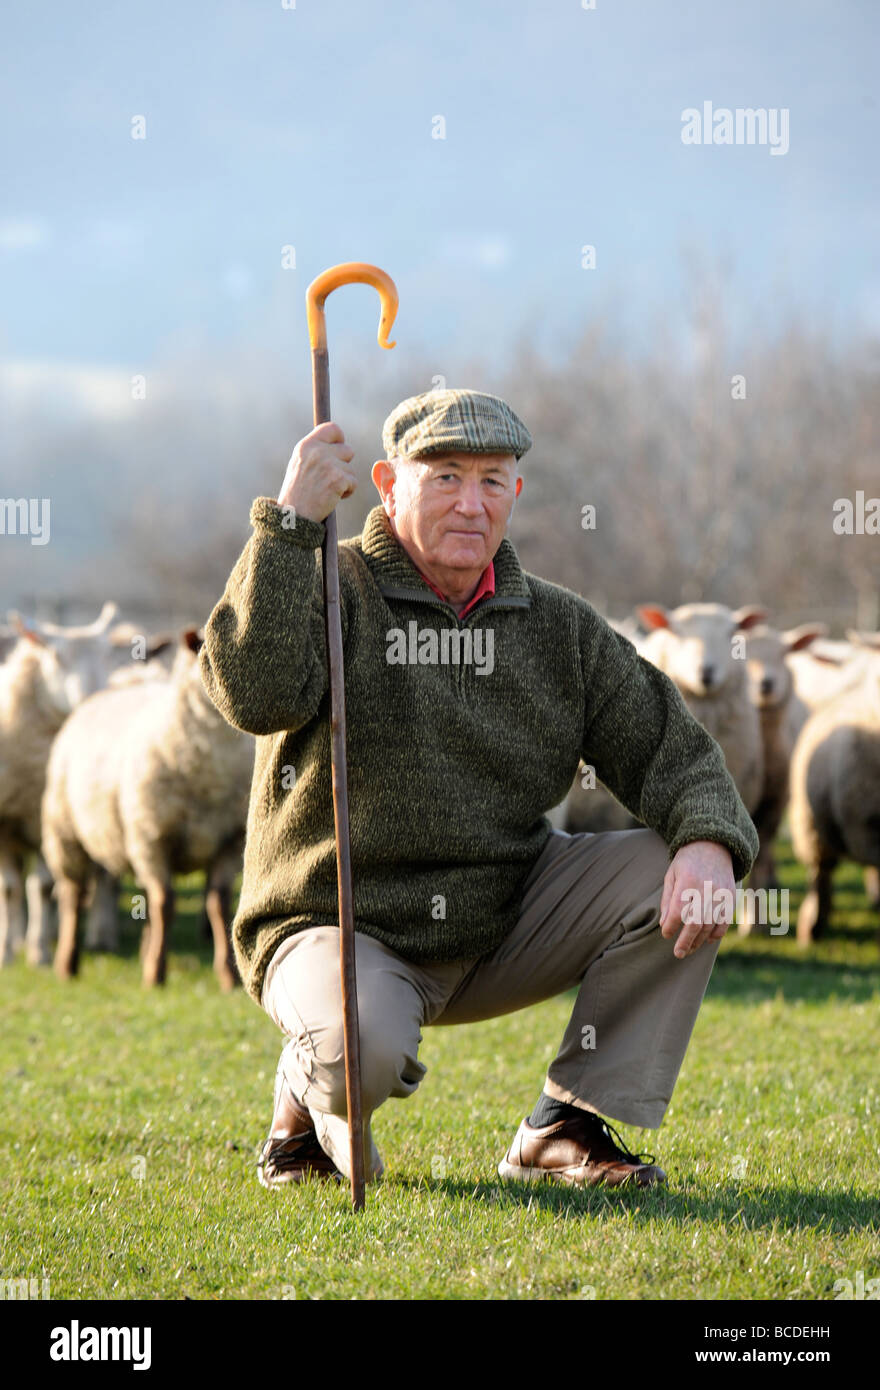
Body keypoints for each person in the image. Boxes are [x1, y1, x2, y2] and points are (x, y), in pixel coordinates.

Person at [199, 388, 758, 1191]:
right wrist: (289, 523)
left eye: (492, 480)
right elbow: (254, 696)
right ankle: (303, 1106)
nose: (471, 503)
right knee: (361, 1051)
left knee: (666, 869)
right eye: (445, 476)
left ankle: (562, 1123)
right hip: (336, 919)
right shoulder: (331, 588)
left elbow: (674, 748)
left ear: (515, 496)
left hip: (501, 917)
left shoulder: (559, 627)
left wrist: (708, 844)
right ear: (389, 485)